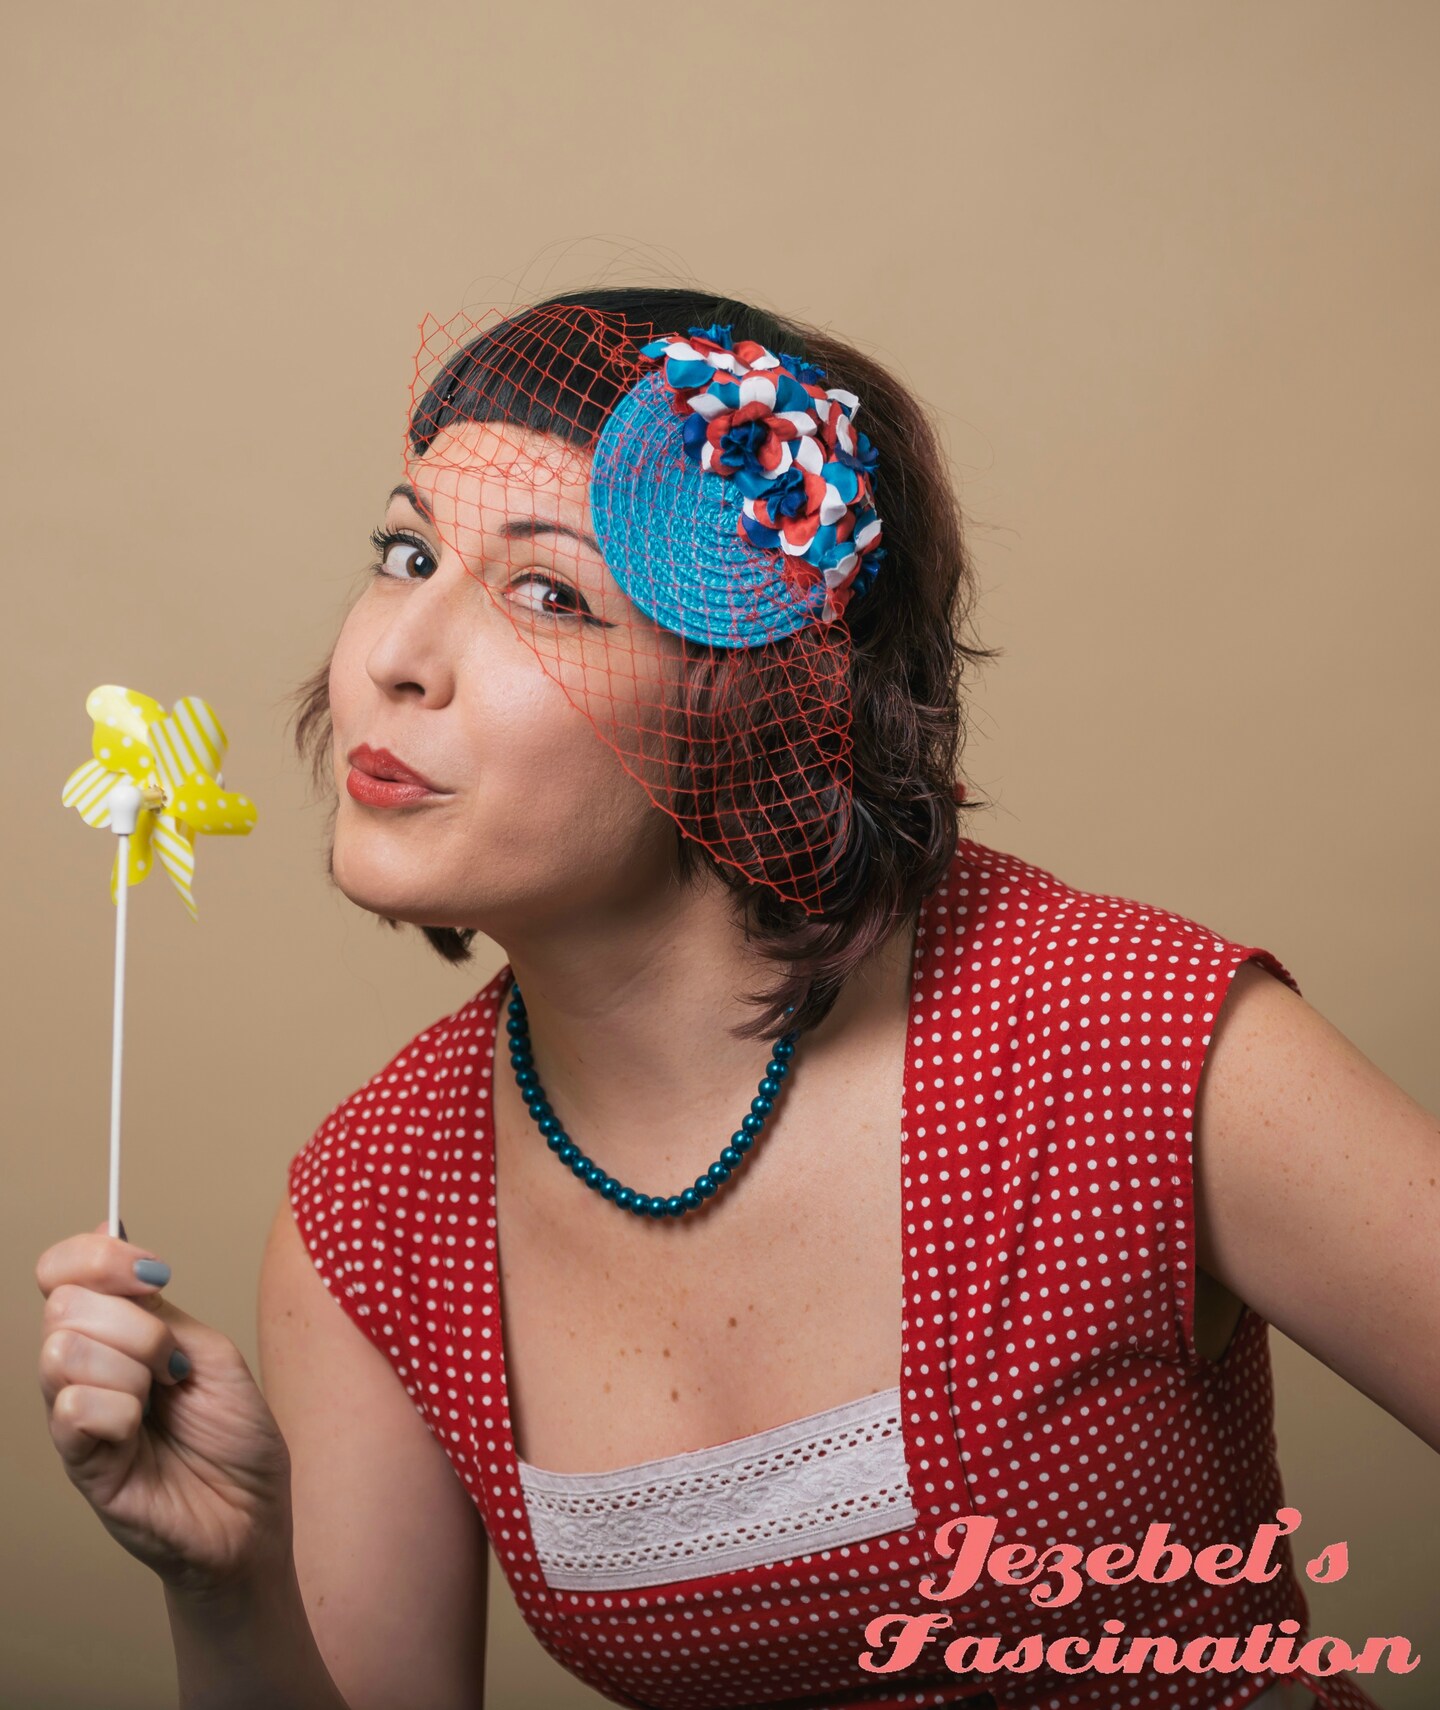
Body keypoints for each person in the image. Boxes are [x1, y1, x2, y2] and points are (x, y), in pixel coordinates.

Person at [35, 288, 1436, 1710]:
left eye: (547, 592)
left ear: (753, 703)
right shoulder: (376, 1208)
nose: (398, 654)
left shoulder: (1128, 1036)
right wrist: (226, 1588)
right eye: (406, 552)